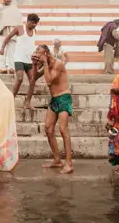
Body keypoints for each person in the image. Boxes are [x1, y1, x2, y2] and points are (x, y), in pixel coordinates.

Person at [31, 44, 73, 174]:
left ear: (47, 54)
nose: (39, 58)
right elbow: (33, 78)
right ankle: (57, 160)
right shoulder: (45, 64)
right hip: (54, 99)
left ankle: (69, 163)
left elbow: (49, 81)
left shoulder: (58, 64)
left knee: (63, 130)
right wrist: (34, 64)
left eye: (40, 55)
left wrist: (44, 64)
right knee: (48, 129)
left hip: (64, 98)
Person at [0, 13, 40, 109]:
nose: (34, 25)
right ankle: (11, 99)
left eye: (36, 23)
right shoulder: (19, 28)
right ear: (28, 21)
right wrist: (2, 48)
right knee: (20, 78)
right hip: (19, 59)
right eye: (33, 23)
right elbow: (8, 37)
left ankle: (27, 102)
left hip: (30, 60)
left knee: (32, 81)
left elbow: (31, 44)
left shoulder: (35, 31)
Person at [0, 0, 21, 74]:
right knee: (2, 50)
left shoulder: (14, 7)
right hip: (3, 31)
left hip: (13, 32)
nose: (8, 0)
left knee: (12, 51)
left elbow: (19, 19)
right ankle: (3, 68)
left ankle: (12, 67)